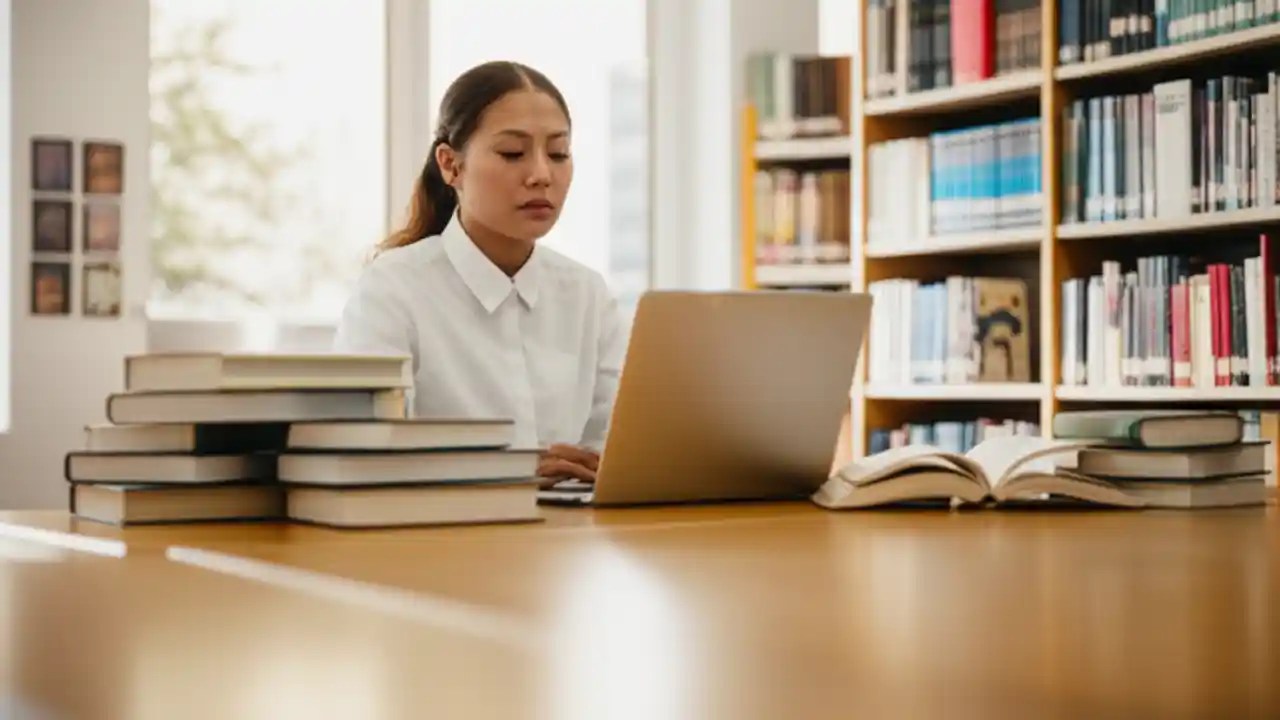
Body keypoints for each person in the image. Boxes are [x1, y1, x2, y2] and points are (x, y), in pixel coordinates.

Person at [334, 61, 628, 488]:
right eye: (512, 153)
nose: (542, 175)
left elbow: (613, 449)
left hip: (566, 540)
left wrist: (604, 469)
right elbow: (360, 450)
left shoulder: (586, 293)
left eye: (559, 153)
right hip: (439, 541)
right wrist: (504, 471)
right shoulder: (394, 288)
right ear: (451, 165)